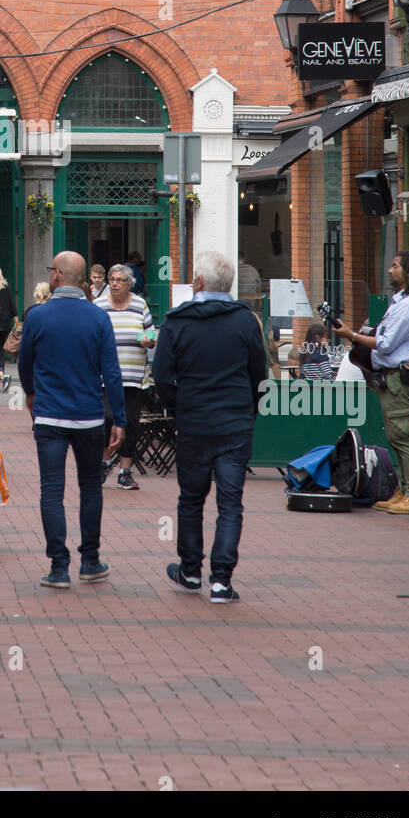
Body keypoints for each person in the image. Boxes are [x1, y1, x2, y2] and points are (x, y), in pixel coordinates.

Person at [152, 250, 267, 603]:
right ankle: (221, 580)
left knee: (191, 499)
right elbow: (258, 375)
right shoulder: (246, 322)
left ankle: (189, 571)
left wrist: (177, 407)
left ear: (198, 282)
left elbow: (161, 376)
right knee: (231, 503)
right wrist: (248, 412)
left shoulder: (177, 321)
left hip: (194, 423)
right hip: (234, 425)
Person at [18, 251, 126, 590]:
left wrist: (31, 393)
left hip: (49, 414)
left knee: (52, 490)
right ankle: (90, 560)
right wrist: (119, 419)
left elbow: (24, 363)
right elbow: (112, 371)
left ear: (56, 277)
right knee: (91, 487)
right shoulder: (98, 318)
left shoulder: (37, 316)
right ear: (81, 280)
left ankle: (59, 565)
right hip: (89, 416)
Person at [330, 251, 409, 515]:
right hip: (390, 377)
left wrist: (351, 334)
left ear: (408, 271)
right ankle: (406, 489)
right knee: (397, 437)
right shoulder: (401, 302)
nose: (389, 270)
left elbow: (386, 344)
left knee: (403, 436)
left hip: (399, 378)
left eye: (395, 266)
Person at [94, 263, 155, 491]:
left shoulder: (140, 305)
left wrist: (148, 339)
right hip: (105, 378)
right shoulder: (99, 305)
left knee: (130, 423)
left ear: (130, 284)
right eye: (112, 279)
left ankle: (125, 471)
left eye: (120, 280)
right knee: (106, 419)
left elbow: (151, 331)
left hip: (133, 376)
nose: (115, 283)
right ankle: (104, 461)